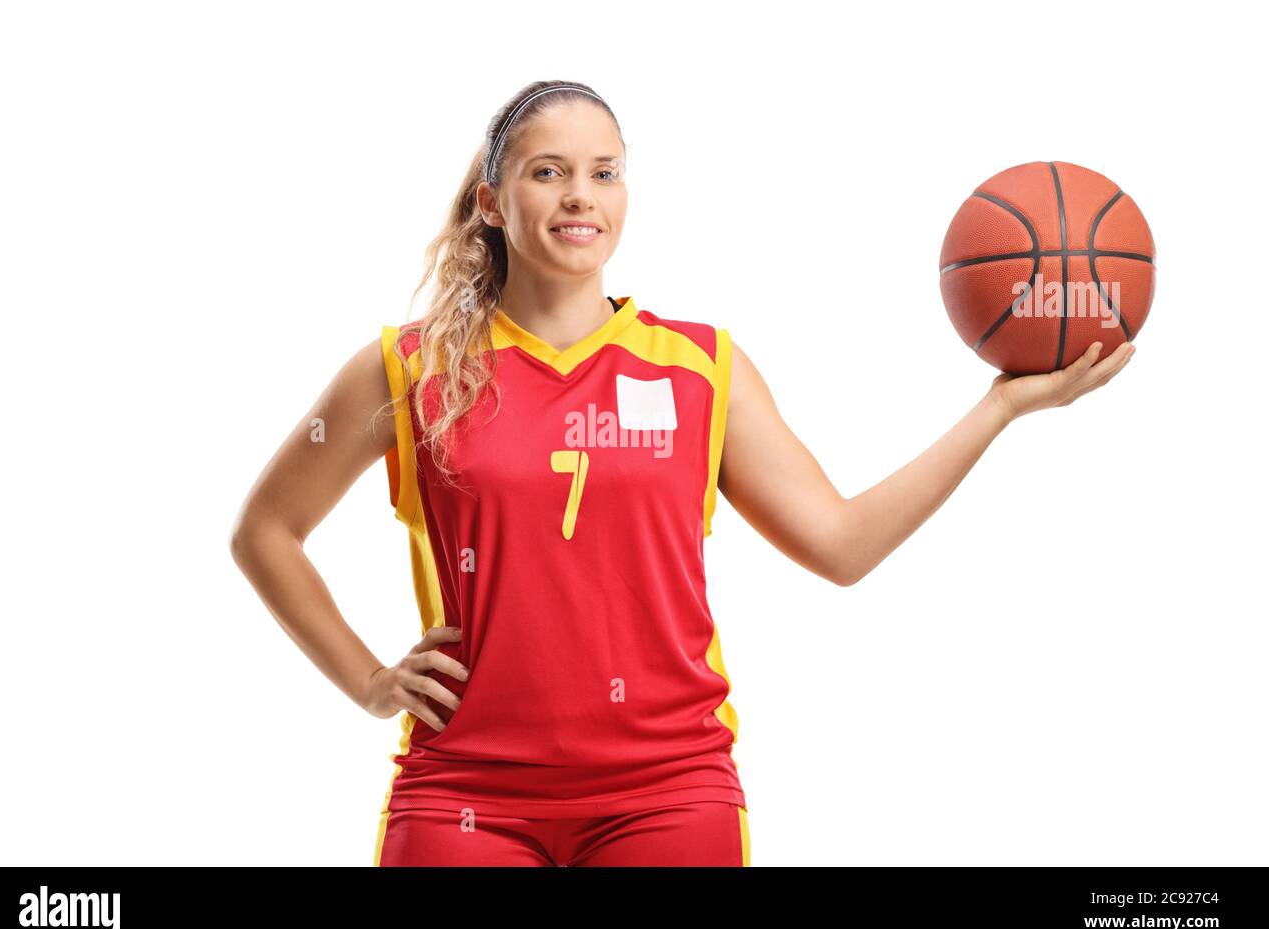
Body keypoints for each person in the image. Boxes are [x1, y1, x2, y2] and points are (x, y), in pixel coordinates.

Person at [229, 81, 1136, 868]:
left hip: (668, 793)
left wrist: (998, 410)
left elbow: (842, 543)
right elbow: (265, 532)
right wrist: (367, 680)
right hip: (463, 789)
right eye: (547, 171)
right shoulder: (408, 369)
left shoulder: (702, 369)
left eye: (604, 171)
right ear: (493, 202)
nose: (580, 195)